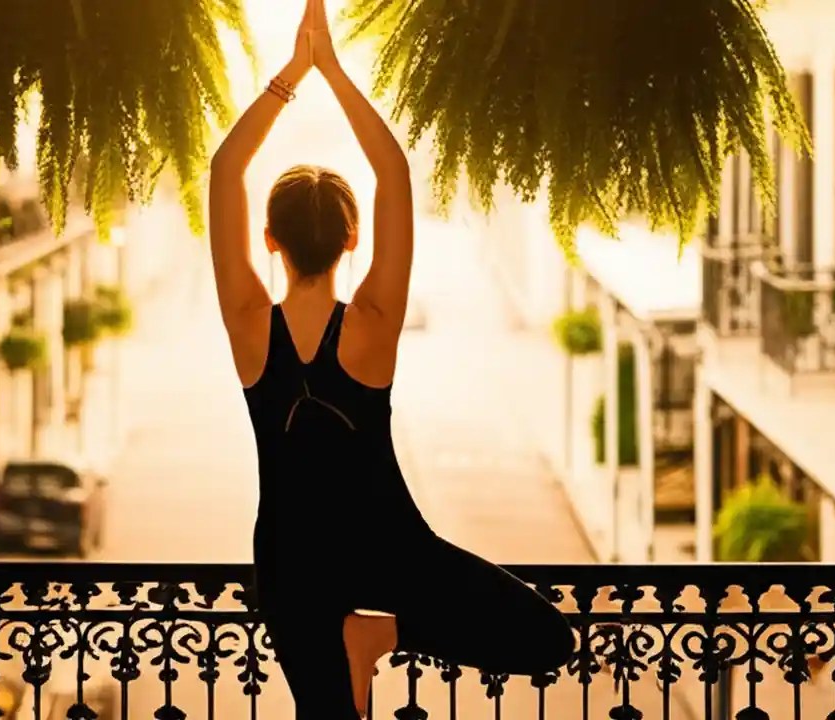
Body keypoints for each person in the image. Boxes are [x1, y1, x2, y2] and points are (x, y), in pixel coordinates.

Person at [207, 1, 576, 717]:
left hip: (290, 558)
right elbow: (393, 173)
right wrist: (335, 73)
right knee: (545, 640)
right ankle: (384, 635)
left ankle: (370, 640)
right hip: (388, 544)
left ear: (270, 240)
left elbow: (226, 170)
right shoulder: (373, 326)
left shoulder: (251, 328)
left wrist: (291, 75)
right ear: (353, 241)